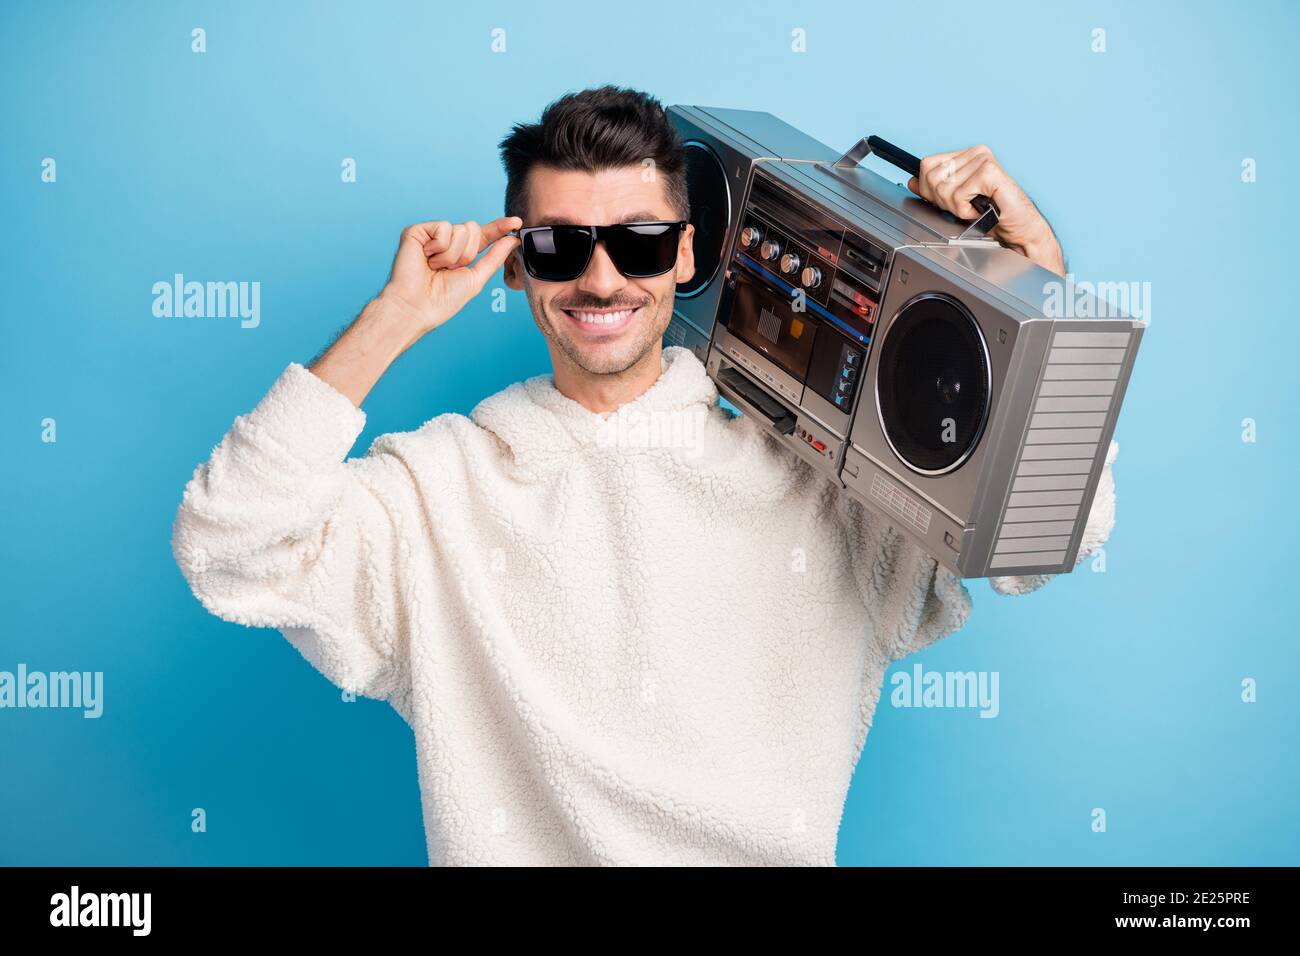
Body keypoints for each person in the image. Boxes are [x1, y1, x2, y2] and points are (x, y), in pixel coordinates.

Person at [171, 85, 1117, 866]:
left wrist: (1034, 284)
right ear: (515, 268)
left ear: (690, 253)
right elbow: (228, 544)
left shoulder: (826, 489)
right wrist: (395, 317)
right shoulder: (434, 494)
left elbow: (1044, 536)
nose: (601, 279)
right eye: (558, 246)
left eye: (640, 242)